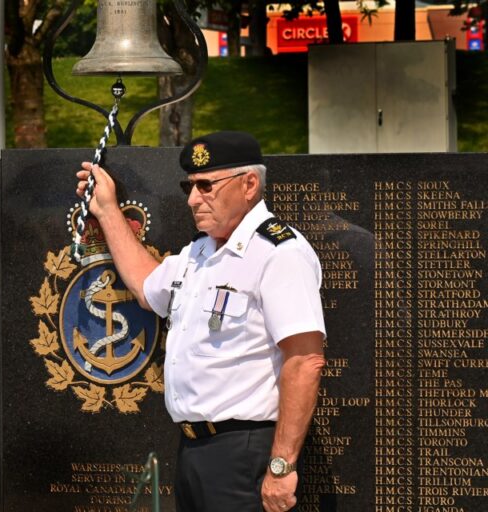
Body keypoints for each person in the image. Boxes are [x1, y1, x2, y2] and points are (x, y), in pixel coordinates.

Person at [74, 131, 326, 512]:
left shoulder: (278, 253)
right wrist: (108, 211)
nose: (193, 199)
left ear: (249, 184)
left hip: (244, 455)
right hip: (194, 451)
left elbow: (305, 360)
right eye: (189, 186)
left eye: (206, 186)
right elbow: (147, 287)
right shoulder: (200, 252)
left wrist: (281, 466)